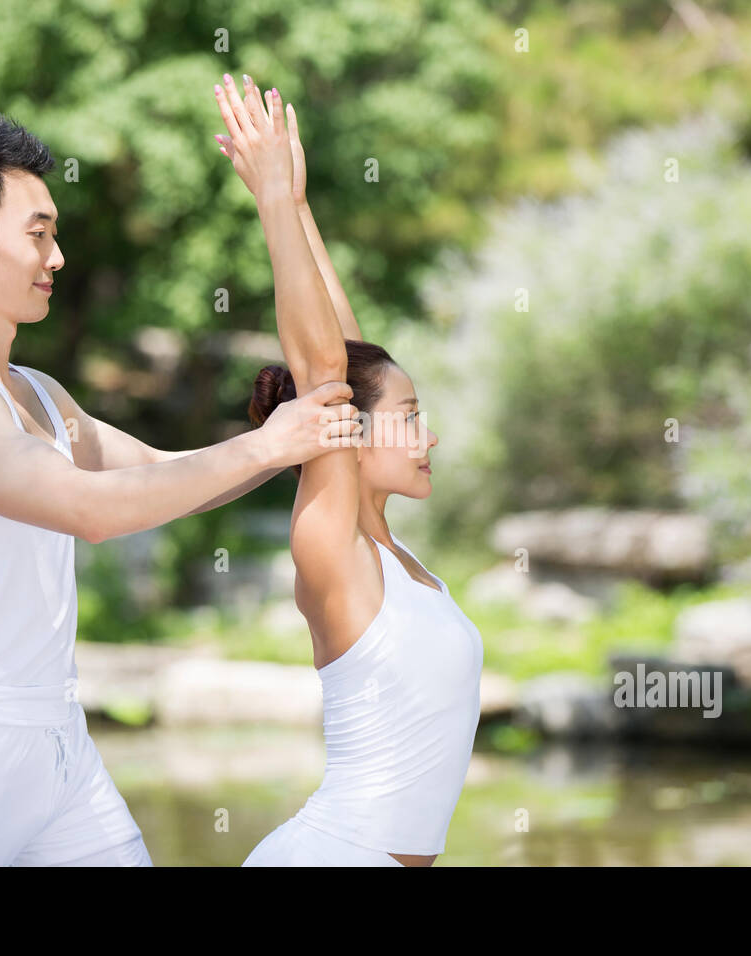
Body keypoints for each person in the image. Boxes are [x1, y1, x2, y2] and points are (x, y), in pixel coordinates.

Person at [0, 114, 361, 866]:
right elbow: (92, 511)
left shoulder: (44, 398)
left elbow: (158, 476)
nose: (58, 256)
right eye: (38, 234)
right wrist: (270, 443)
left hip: (60, 753)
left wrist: (294, 441)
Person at [211, 75, 484, 867]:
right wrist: (268, 203)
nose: (429, 435)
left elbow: (350, 360)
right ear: (350, 436)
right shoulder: (332, 546)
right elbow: (329, 369)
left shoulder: (391, 556)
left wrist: (296, 203)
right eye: (411, 416)